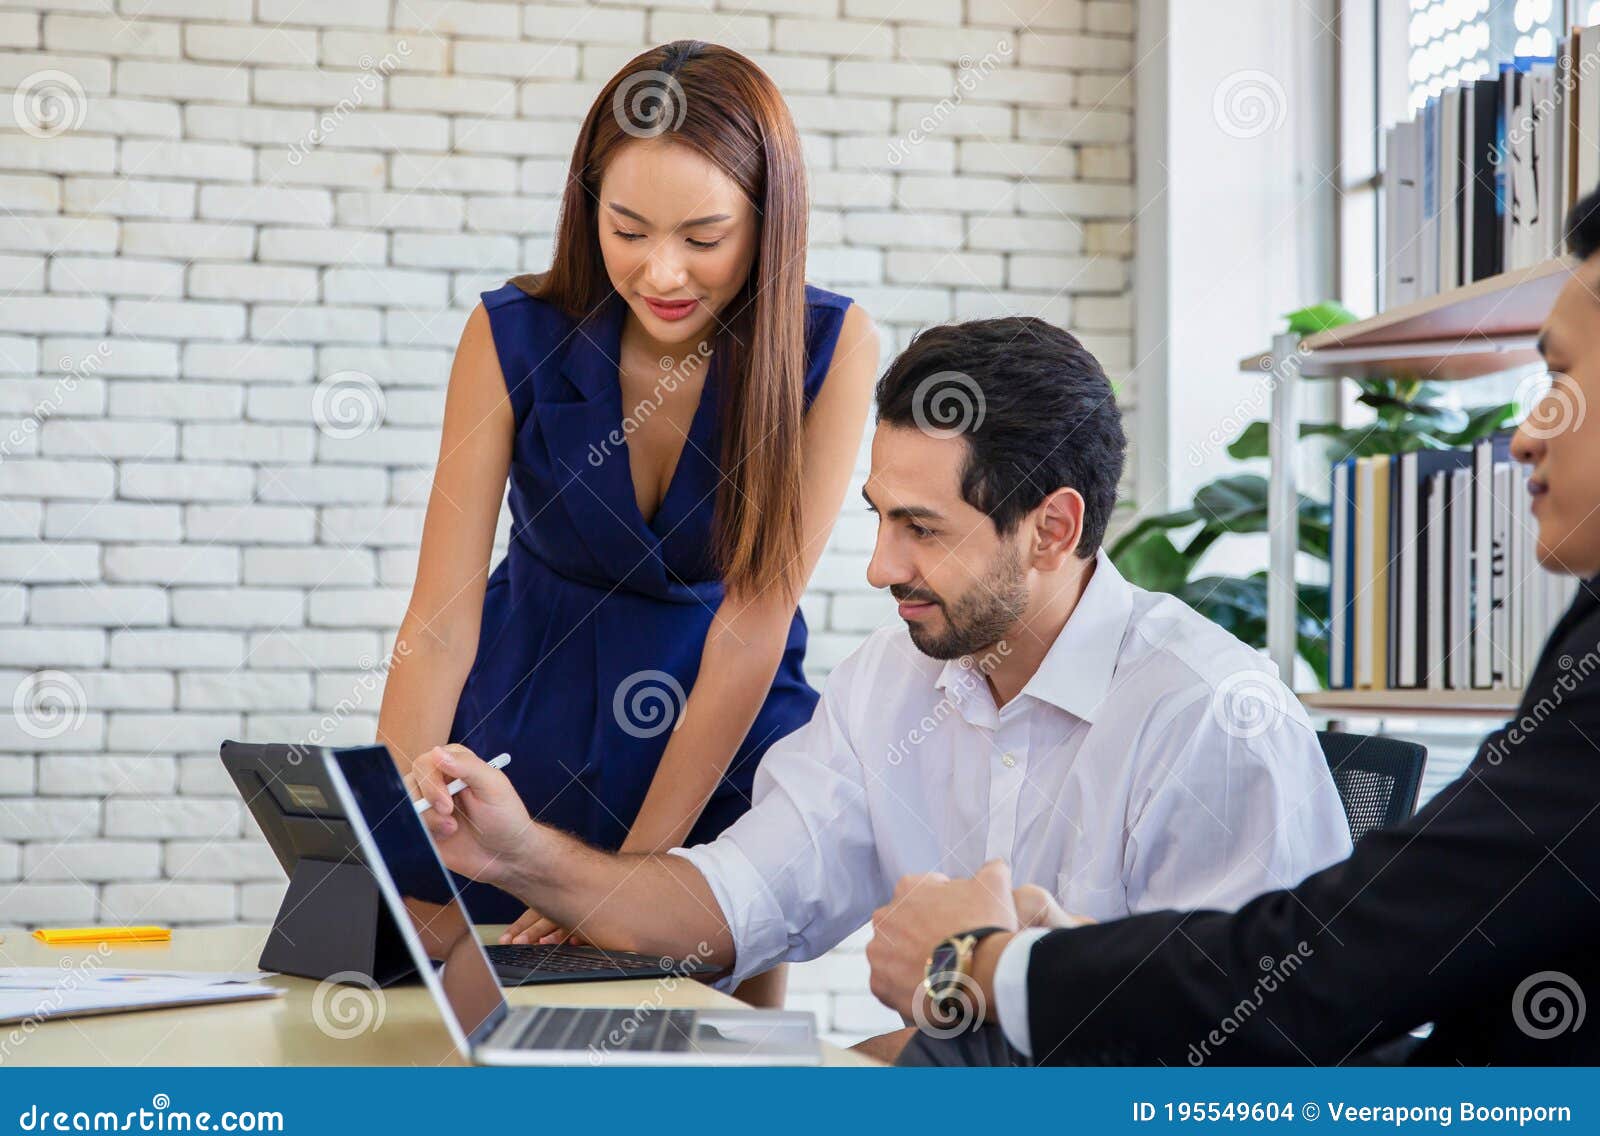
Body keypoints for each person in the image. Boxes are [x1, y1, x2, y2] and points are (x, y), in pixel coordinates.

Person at [410, 316, 1352, 1038]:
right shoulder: (890, 684)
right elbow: (733, 898)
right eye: (880, 516)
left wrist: (960, 1007)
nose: (879, 565)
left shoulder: (1211, 718)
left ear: (1052, 529)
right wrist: (516, 851)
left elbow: (1240, 1044)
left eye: (922, 528)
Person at [863, 188, 1600, 1067]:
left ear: (1051, 529)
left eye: (1560, 379)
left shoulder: (1208, 700)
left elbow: (1326, 977)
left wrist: (987, 963)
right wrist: (1046, 963)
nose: (1524, 435)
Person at [374, 42, 879, 1006]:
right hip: (527, 721)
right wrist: (389, 831)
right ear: (587, 207)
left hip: (718, 728)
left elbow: (751, 626)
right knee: (467, 1035)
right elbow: (438, 621)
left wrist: (620, 890)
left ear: (768, 223)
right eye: (628, 228)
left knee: (703, 1052)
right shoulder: (510, 331)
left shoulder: (829, 347)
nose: (662, 270)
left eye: (704, 235)